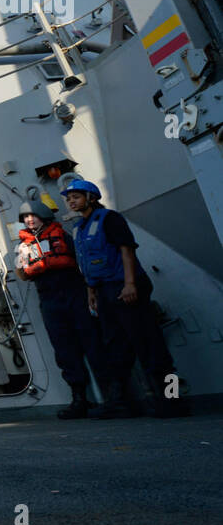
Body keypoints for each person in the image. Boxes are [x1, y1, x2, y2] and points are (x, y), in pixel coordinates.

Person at [64, 179, 190, 417]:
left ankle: (173, 400)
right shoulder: (79, 228)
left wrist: (130, 283)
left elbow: (126, 250)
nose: (71, 201)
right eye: (69, 198)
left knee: (151, 345)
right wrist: (92, 292)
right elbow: (86, 264)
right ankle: (120, 402)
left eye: (76, 196)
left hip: (125, 287)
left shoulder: (110, 219)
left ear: (91, 197)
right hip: (103, 292)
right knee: (115, 347)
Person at [14, 199, 104, 418]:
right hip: (50, 300)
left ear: (43, 216)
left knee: (93, 342)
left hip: (75, 294)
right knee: (64, 350)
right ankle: (79, 399)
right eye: (25, 217)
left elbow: (81, 261)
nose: (29, 219)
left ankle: (114, 396)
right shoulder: (24, 246)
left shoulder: (64, 236)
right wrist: (21, 259)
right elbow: (22, 274)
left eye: (32, 215)